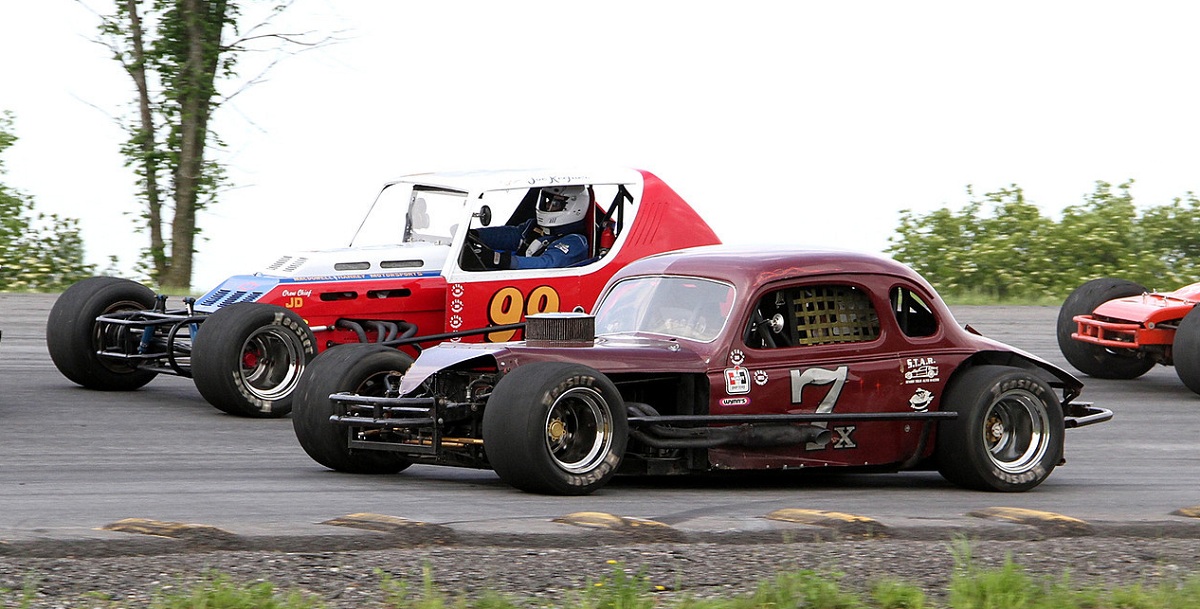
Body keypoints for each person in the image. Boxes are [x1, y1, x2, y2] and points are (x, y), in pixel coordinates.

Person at [469, 185, 591, 269]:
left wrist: (502, 260)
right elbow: (511, 235)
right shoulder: (534, 226)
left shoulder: (576, 241)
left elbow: (547, 264)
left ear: (575, 207)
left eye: (555, 203)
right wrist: (476, 235)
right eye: (547, 200)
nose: (548, 205)